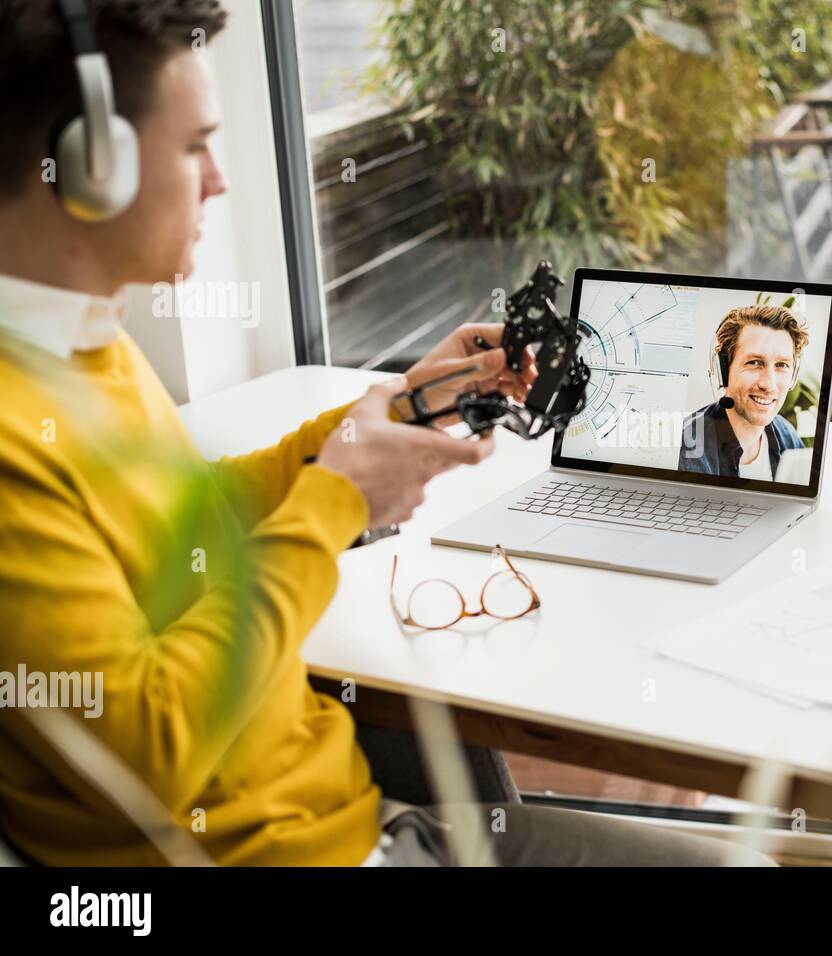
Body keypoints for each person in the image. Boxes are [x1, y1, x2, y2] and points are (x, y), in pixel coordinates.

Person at [0, 0, 771, 867]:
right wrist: (337, 501)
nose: (219, 179)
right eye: (192, 147)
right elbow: (148, 753)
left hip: (358, 820)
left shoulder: (83, 343)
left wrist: (400, 410)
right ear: (86, 166)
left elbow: (185, 521)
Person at [679, 305, 809, 478]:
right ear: (723, 370)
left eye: (782, 365)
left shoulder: (786, 435)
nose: (768, 385)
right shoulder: (688, 448)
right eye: (754, 362)